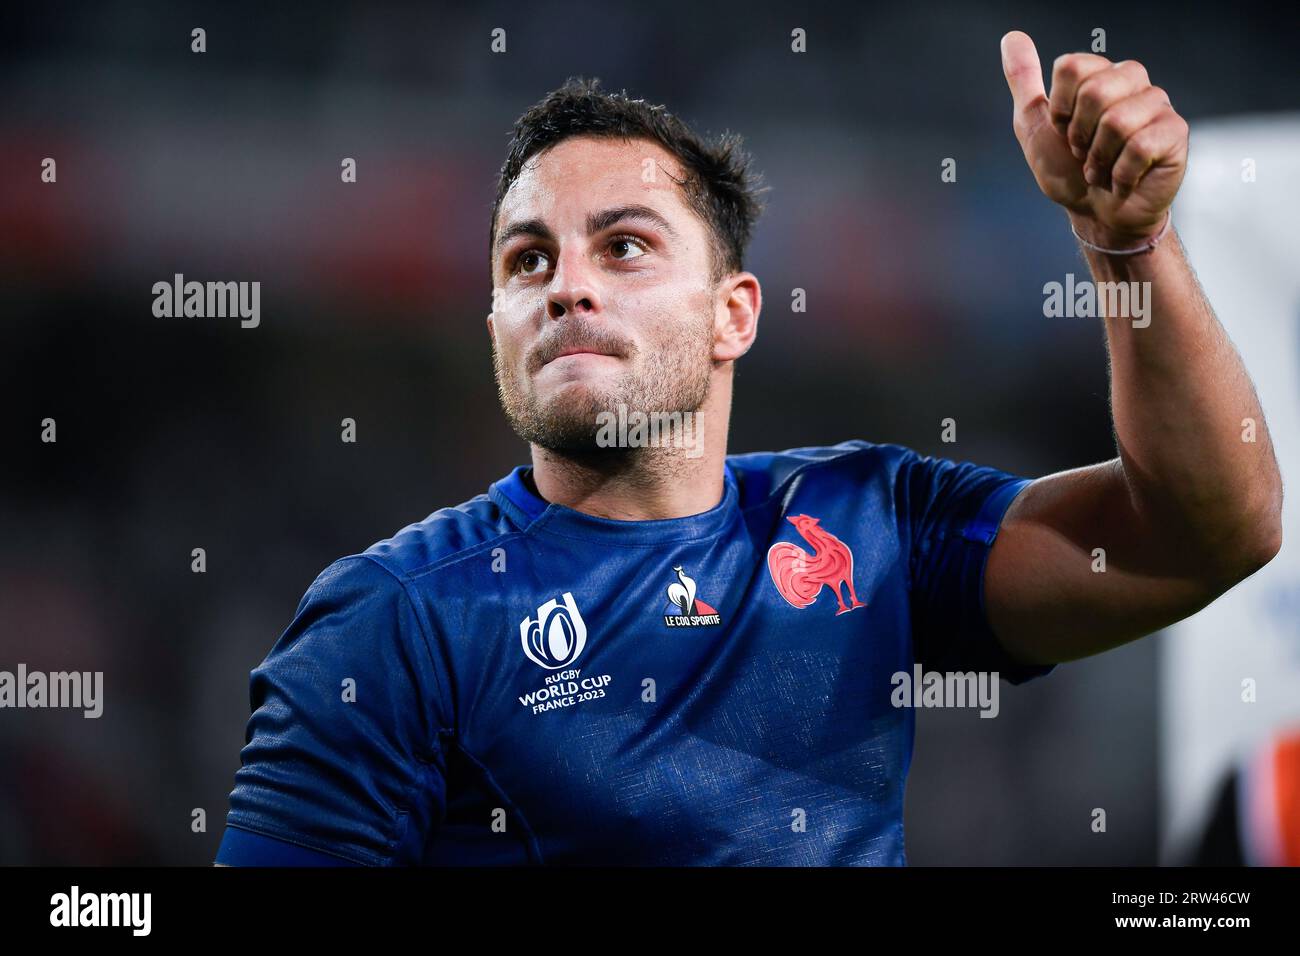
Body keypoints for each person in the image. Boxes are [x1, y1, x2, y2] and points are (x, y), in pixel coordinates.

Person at [215, 32, 1282, 865]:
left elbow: (1205, 533)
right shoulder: (394, 620)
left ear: (735, 315)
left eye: (624, 245)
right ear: (495, 321)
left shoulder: (872, 523)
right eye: (526, 259)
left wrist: (1126, 241)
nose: (567, 284)